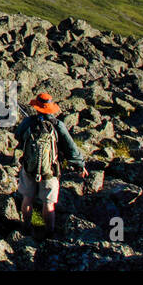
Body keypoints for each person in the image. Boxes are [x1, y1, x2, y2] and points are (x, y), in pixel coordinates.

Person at [14, 92, 87, 235]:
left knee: (27, 198)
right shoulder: (57, 125)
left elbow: (18, 136)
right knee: (49, 202)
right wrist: (80, 164)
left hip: (29, 167)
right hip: (51, 170)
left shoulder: (29, 122)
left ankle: (26, 227)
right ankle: (49, 232)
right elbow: (70, 147)